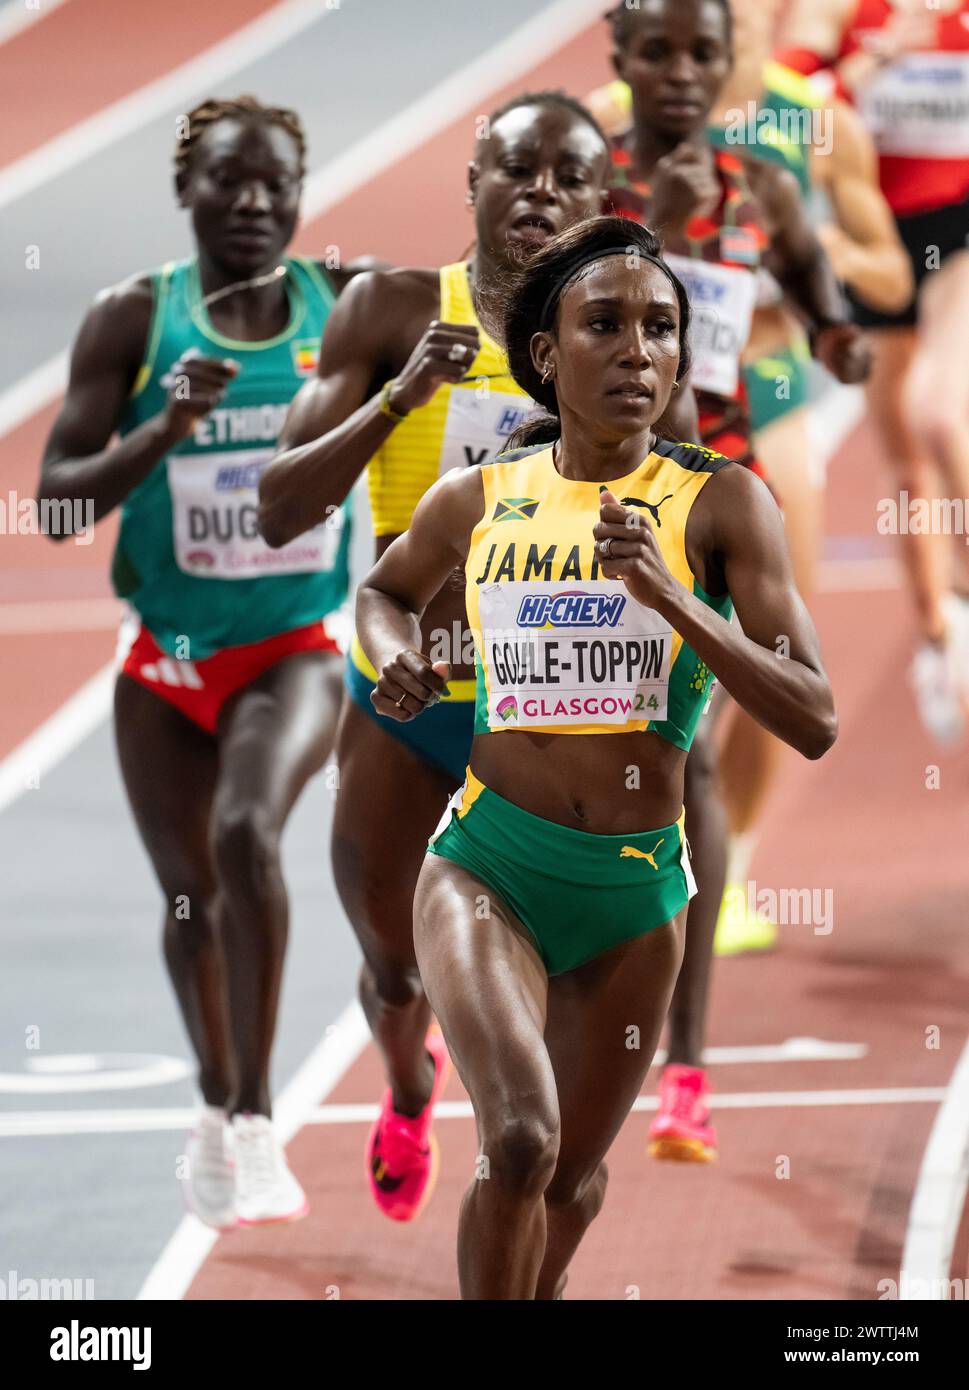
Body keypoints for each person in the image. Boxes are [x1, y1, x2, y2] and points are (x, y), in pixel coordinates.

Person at [353, 215, 837, 1299]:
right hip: (488, 868)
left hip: (635, 896)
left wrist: (674, 600)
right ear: (546, 354)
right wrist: (395, 661)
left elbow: (813, 715)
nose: (639, 352)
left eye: (661, 328)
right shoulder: (481, 497)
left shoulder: (722, 502)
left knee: (569, 1181)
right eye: (605, 325)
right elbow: (383, 592)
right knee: (519, 1140)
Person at [259, 93, 667, 1220]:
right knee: (395, 967)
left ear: (600, 204)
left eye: (567, 177)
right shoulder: (390, 310)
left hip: (550, 720)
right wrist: (402, 398)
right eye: (515, 167)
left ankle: (523, 1178)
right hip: (408, 694)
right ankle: (403, 1080)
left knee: (532, 1047)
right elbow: (279, 509)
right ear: (472, 181)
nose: (538, 191)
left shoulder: (614, 333)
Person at [37, 96, 367, 1229]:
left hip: (298, 646)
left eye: (277, 183)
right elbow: (54, 507)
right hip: (167, 662)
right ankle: (220, 1104)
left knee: (244, 832)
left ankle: (262, 1117)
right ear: (186, 190)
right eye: (230, 181)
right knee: (190, 898)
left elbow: (484, 302)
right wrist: (162, 432)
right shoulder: (133, 319)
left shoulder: (347, 307)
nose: (256, 204)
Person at [595, 0, 869, 1163]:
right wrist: (645, 229)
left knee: (694, 749)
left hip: (717, 486)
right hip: (589, 491)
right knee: (557, 735)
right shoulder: (582, 167)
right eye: (655, 50)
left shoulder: (759, 176)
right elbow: (524, 313)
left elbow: (815, 286)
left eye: (701, 52)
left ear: (728, 60)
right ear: (619, 56)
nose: (679, 72)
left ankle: (686, 1067)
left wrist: (835, 334)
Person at [779, 0, 969, 741]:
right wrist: (875, 59)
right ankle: (933, 635)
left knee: (938, 409)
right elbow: (783, 106)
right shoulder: (839, 8)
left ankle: (963, 584)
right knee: (902, 455)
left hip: (959, 228)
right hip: (878, 230)